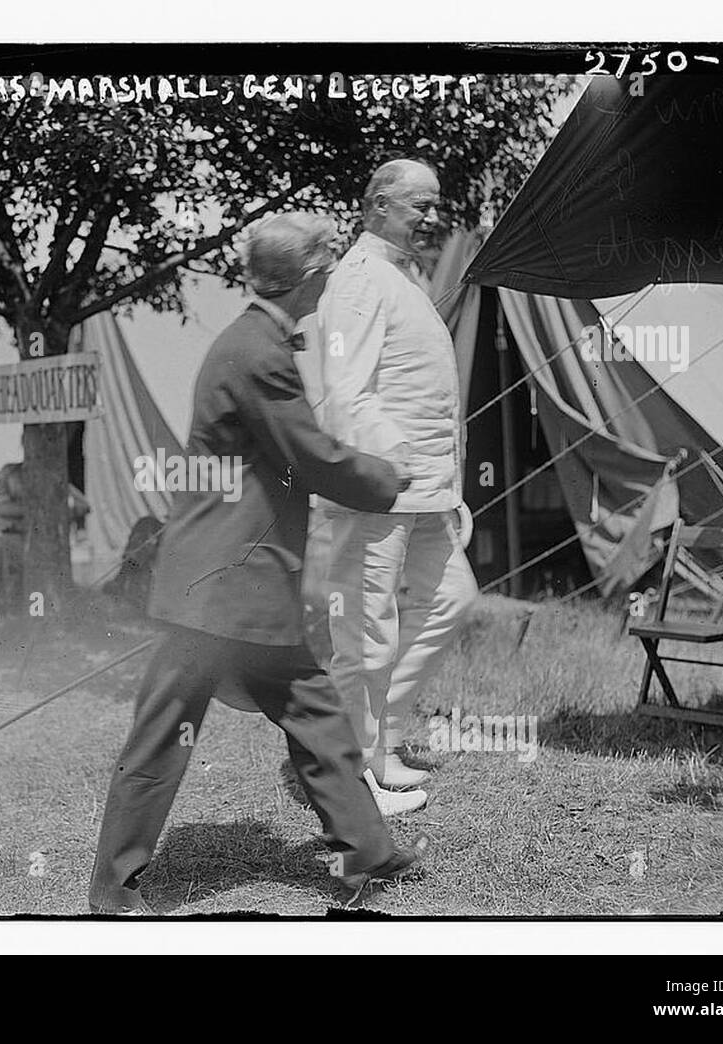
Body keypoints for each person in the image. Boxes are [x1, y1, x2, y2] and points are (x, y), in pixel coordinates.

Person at [88, 213, 430, 915]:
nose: (332, 278)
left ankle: (367, 850)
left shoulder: (254, 341)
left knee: (319, 719)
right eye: (326, 269)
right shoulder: (256, 352)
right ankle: (113, 894)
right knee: (162, 742)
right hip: (221, 594)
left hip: (239, 589)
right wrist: (389, 477)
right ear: (305, 279)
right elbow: (310, 454)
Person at [314, 159, 478, 811]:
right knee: (366, 629)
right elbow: (345, 393)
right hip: (382, 488)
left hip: (429, 491)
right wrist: (395, 461)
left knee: (452, 600)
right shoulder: (356, 280)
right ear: (379, 204)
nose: (433, 218)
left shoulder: (400, 275)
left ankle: (374, 745)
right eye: (420, 205)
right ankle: (351, 776)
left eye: (436, 205)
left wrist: (448, 483)